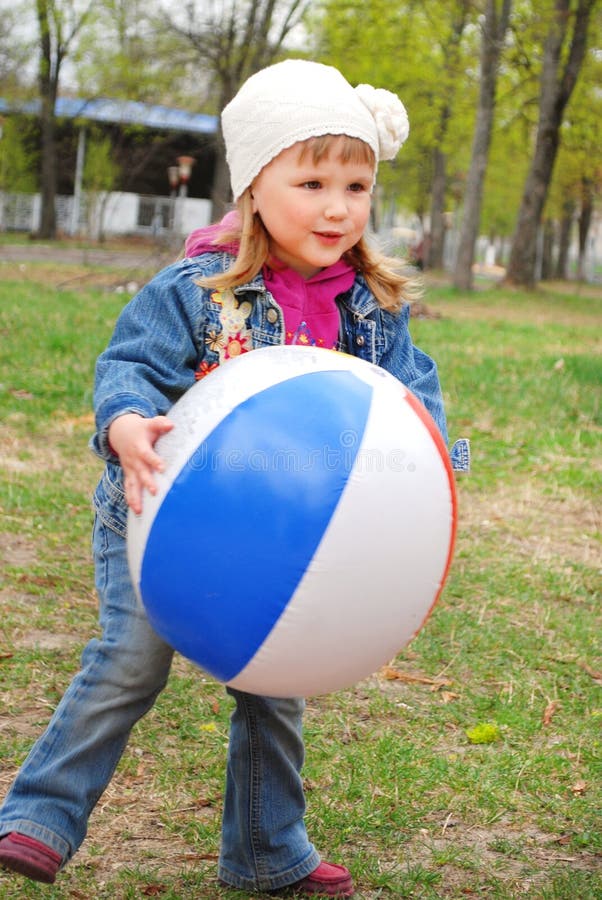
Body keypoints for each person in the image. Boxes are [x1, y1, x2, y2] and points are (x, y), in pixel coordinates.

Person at [0, 59, 469, 896]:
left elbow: (409, 400)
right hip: (161, 518)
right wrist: (124, 422)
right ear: (254, 186)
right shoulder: (201, 287)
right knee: (129, 663)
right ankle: (37, 815)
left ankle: (265, 849)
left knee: (274, 685)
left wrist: (432, 464)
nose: (338, 206)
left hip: (292, 544)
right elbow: (131, 366)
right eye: (313, 179)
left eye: (357, 185)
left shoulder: (371, 305)